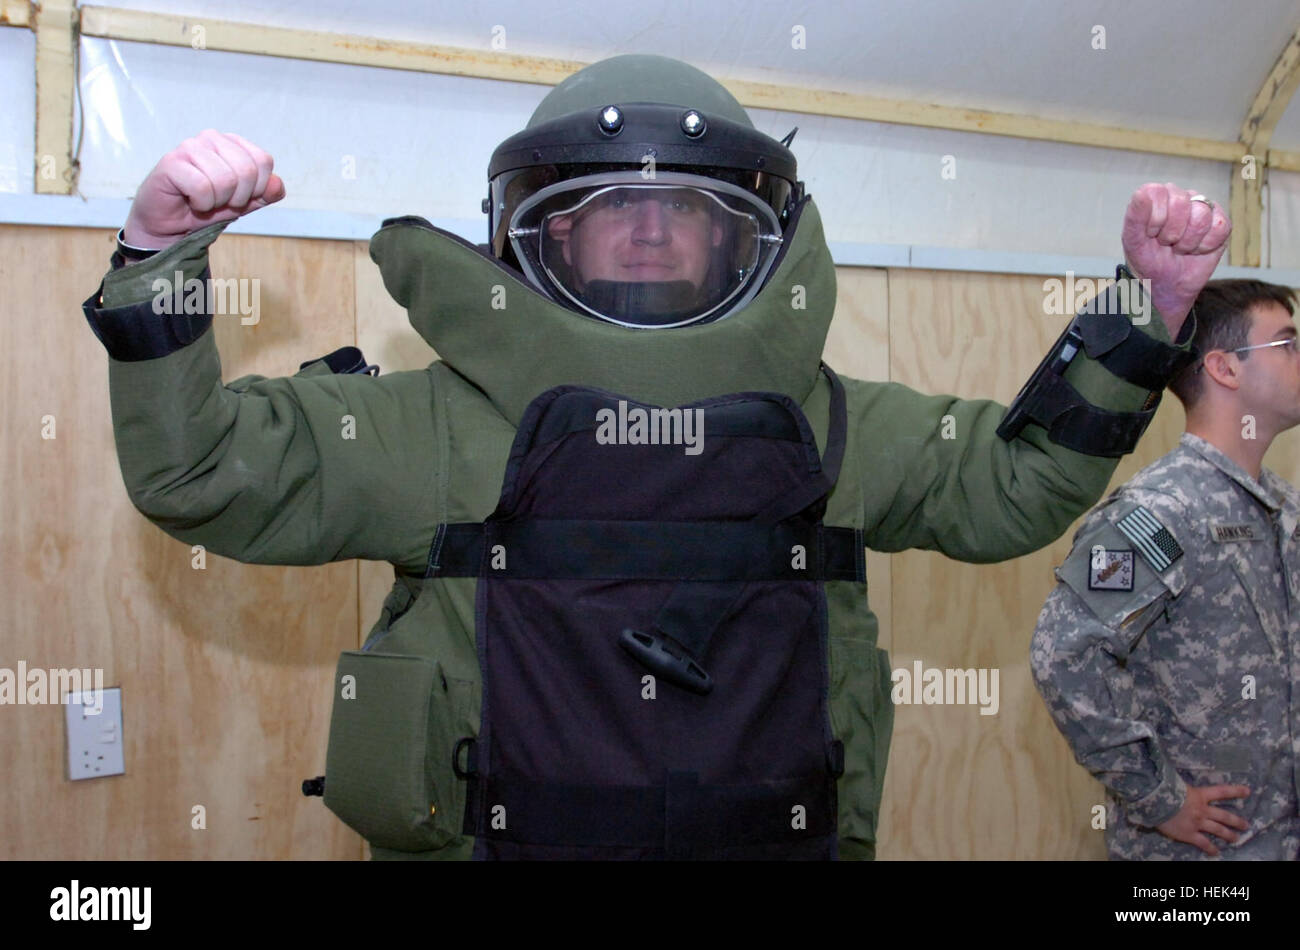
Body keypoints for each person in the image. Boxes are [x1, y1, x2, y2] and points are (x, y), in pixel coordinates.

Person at [83, 53, 1229, 860]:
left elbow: (1010, 489)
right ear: (543, 239)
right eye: (605, 208)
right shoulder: (432, 425)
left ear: (743, 240)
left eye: (681, 209)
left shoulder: (833, 422)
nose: (645, 228)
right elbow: (200, 473)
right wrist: (161, 253)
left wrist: (1151, 306)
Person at [1031, 278, 1300, 860]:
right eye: (1287, 343)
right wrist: (1160, 799)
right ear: (1226, 369)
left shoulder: (1285, 509)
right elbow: (1063, 652)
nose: (1299, 357)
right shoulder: (1160, 512)